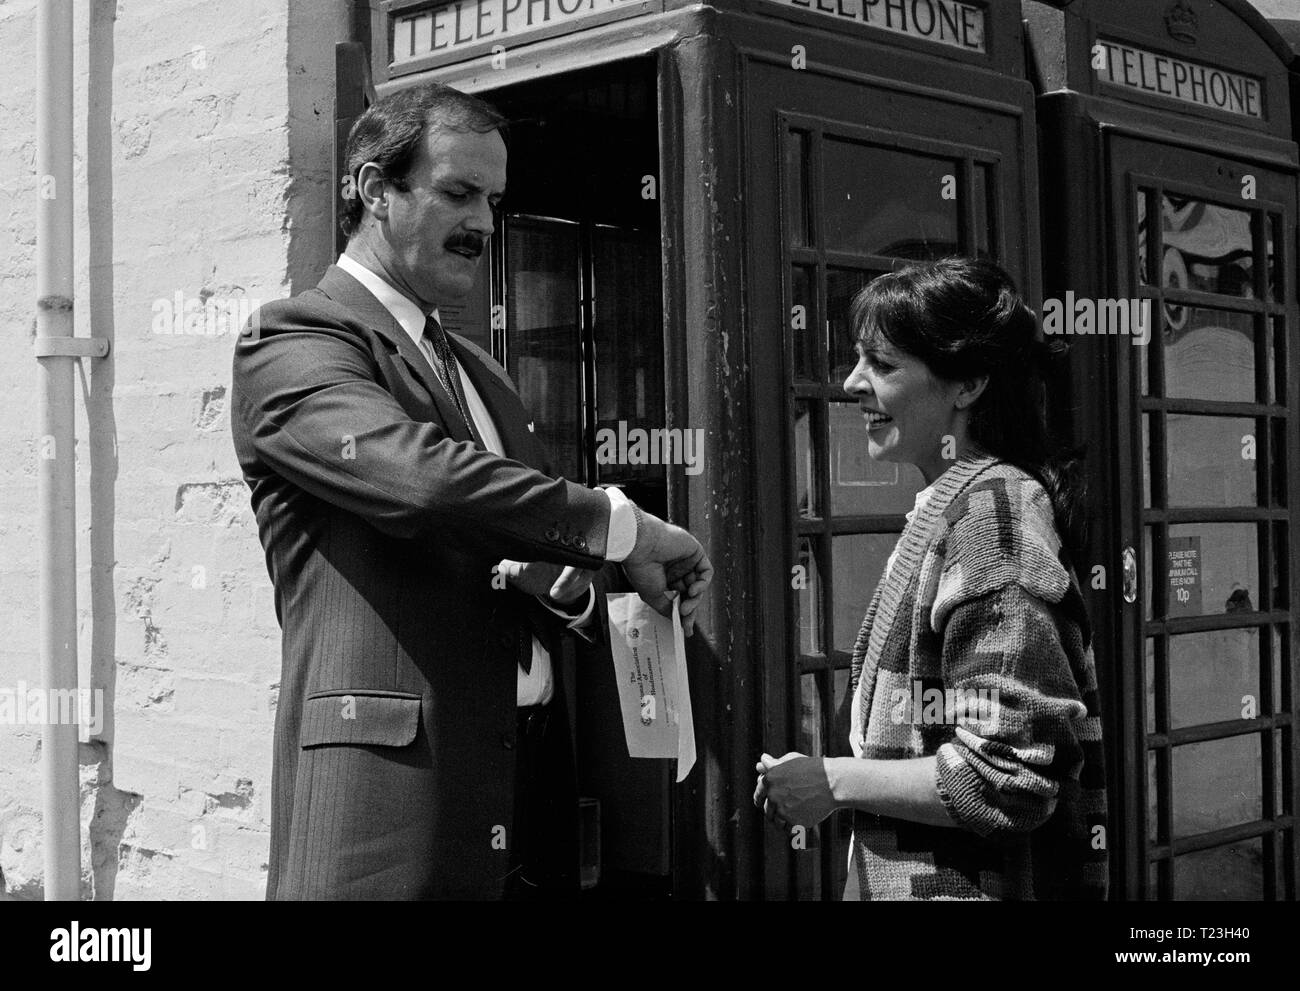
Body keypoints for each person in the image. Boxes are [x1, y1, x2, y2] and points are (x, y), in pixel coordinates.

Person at [230, 82, 712, 900]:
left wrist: (584, 587)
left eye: (493, 199)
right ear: (376, 190)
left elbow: (506, 537)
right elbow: (423, 484)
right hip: (391, 804)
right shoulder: (292, 338)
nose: (484, 223)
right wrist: (623, 525)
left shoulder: (480, 370)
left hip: (529, 791)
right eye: (457, 192)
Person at [754, 257, 1108, 900]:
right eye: (857, 360)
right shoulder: (956, 505)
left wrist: (831, 781)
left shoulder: (991, 522)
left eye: (883, 365)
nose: (853, 383)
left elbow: (1007, 777)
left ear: (967, 384)